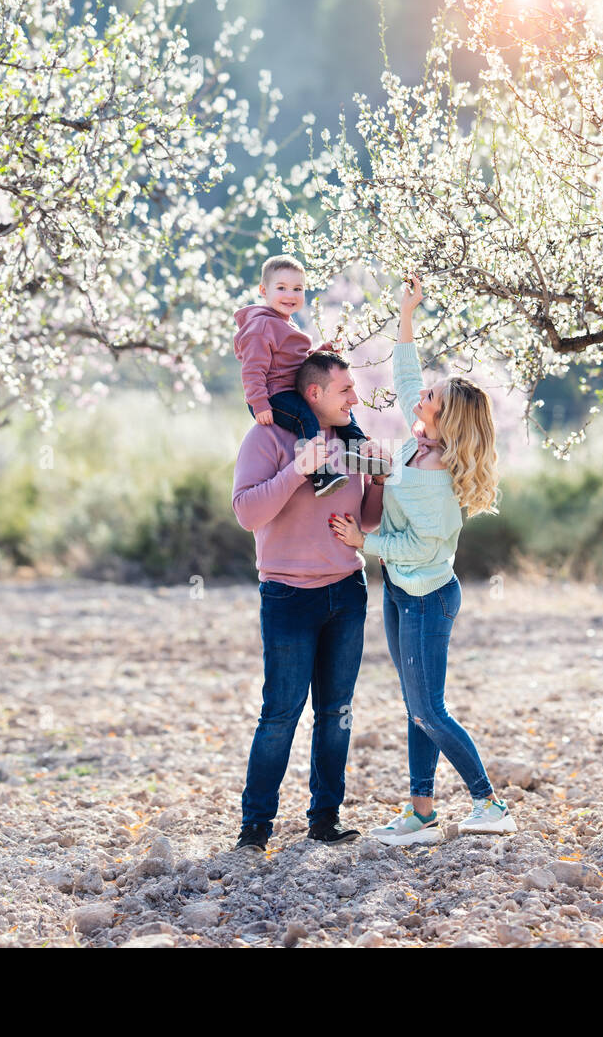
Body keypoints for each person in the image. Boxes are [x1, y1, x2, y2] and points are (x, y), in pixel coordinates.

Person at [330, 275, 514, 845]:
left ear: (444, 419)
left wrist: (367, 545)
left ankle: (489, 803)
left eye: (430, 399)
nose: (420, 397)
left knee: (430, 710)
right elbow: (406, 373)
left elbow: (419, 548)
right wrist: (406, 314)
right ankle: (421, 813)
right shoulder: (418, 444)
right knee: (416, 710)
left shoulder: (437, 483)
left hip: (428, 597)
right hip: (403, 592)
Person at [231, 348, 392, 852]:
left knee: (337, 711)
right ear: (314, 394)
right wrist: (298, 470)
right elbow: (246, 513)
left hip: (347, 592)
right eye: (345, 390)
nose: (355, 399)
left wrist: (380, 483)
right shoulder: (267, 437)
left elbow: (365, 522)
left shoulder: (351, 440)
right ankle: (255, 829)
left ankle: (325, 820)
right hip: (287, 596)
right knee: (280, 713)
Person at [234, 254, 389, 496]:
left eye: (298, 288)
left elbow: (298, 363)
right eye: (282, 287)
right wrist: (259, 402)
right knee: (305, 417)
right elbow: (253, 369)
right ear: (264, 290)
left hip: (293, 389)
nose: (291, 295)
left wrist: (320, 351)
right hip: (273, 396)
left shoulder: (286, 323)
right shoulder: (261, 326)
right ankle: (320, 474)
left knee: (342, 414)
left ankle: (358, 449)